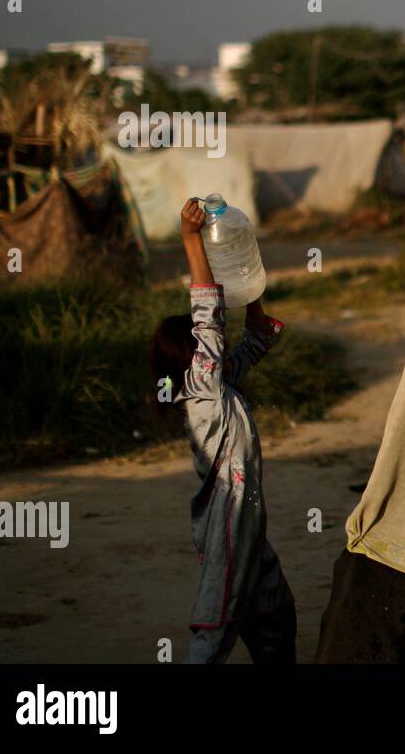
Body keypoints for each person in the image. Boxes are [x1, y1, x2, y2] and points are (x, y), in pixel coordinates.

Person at [148, 198, 296, 664]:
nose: (218, 346)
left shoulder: (219, 382)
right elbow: (208, 318)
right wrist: (192, 241)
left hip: (248, 519)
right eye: (205, 346)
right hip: (228, 519)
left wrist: (246, 273)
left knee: (276, 614)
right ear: (193, 360)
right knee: (215, 626)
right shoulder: (201, 391)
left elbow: (256, 336)